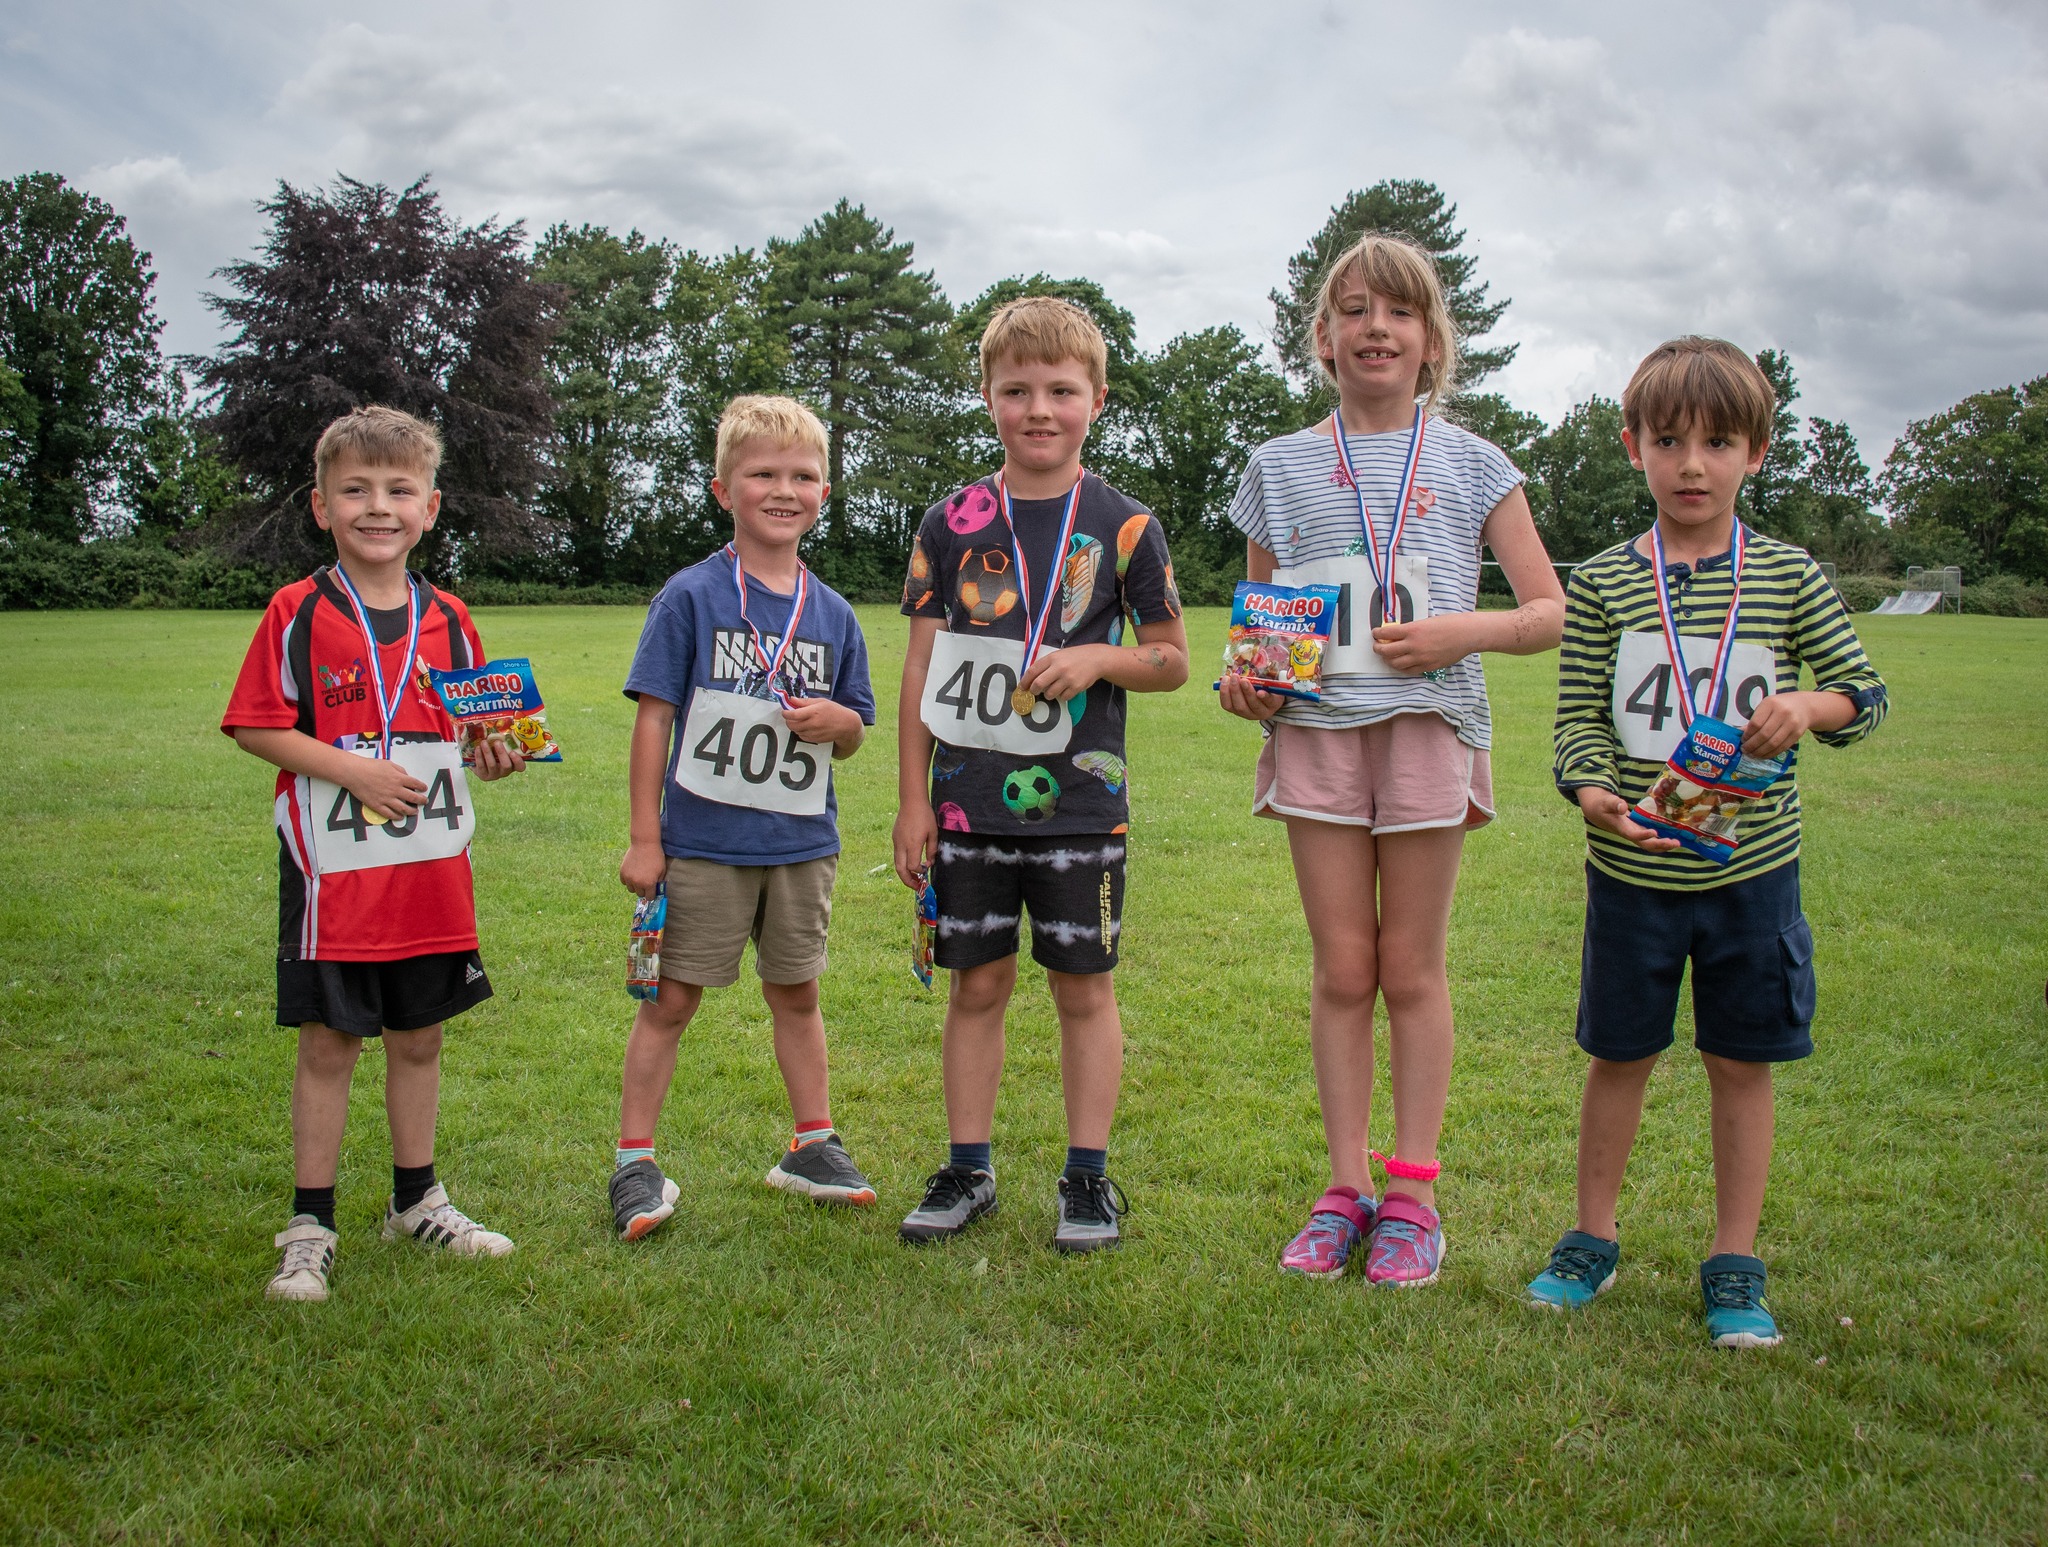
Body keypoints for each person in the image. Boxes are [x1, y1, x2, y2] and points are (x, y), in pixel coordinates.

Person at [1525, 336, 1887, 1347]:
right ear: (1632, 446)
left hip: (1751, 874)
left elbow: (1864, 694)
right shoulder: (1599, 581)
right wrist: (1591, 787)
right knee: (1618, 1055)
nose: (1691, 463)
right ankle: (1589, 1238)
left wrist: (1808, 707)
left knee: (1739, 1060)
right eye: (1669, 440)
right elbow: (1578, 719)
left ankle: (1734, 1262)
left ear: (1755, 453)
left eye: (1717, 442)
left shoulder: (1788, 575)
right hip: (1630, 871)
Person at [1219, 234, 1566, 1287]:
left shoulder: (1471, 462)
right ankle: (1340, 1189)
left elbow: (1548, 611)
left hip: (1425, 731)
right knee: (1341, 968)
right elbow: (1260, 637)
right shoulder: (1274, 466)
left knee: (1409, 969)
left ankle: (1410, 1192)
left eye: (1400, 312)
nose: (1376, 327)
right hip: (1318, 739)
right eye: (1355, 310)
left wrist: (1461, 632)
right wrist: (1247, 685)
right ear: (1320, 337)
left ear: (1430, 342)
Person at [892, 296, 1188, 1253]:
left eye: (1061, 389)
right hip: (967, 803)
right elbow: (920, 672)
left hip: (1082, 806)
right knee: (975, 985)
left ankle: (1087, 1179)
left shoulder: (1127, 523)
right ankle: (968, 1167)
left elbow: (1173, 657)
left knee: (1082, 991)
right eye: (1016, 390)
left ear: (1096, 399)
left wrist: (1099, 660)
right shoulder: (948, 521)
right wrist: (910, 799)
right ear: (988, 397)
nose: (1038, 408)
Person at [222, 405, 527, 1303]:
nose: (378, 506)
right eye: (355, 489)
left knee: (420, 1039)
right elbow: (253, 723)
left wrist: (496, 751)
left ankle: (416, 1199)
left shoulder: (451, 619)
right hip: (332, 880)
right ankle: (310, 1222)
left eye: (399, 490)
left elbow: (476, 733)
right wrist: (351, 769)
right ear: (322, 507)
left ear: (431, 506)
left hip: (429, 875)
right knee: (329, 1043)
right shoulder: (298, 611)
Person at [609, 395, 877, 1241]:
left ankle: (813, 1141)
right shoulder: (690, 596)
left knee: (796, 991)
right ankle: (634, 1160)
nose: (783, 489)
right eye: (762, 473)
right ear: (725, 488)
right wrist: (645, 837)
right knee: (671, 998)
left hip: (800, 844)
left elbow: (856, 727)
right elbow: (654, 716)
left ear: (824, 493)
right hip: (703, 844)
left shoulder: (832, 612)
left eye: (802, 475)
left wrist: (842, 724)